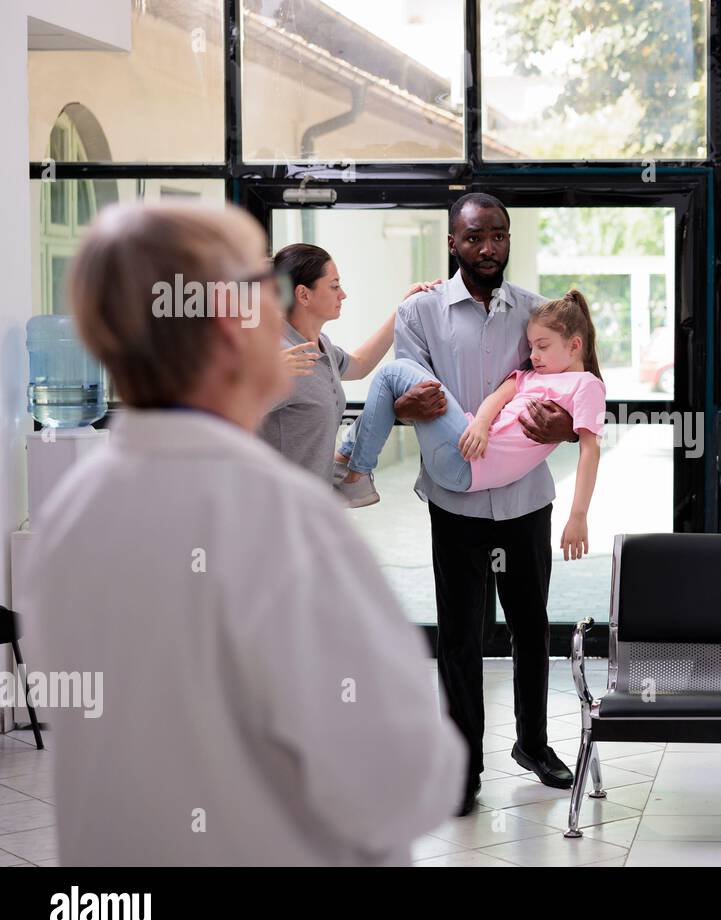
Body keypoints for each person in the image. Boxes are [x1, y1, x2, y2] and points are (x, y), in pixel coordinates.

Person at [25, 203, 466, 865]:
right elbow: (404, 781)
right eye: (267, 291)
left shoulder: (70, 513)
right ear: (231, 327)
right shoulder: (283, 518)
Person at [390, 192, 581, 814]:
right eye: (475, 238)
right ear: (453, 243)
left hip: (526, 500)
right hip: (454, 502)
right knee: (459, 639)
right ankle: (462, 769)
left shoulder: (532, 310)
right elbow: (402, 391)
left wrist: (562, 427)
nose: (488, 248)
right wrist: (406, 408)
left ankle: (534, 745)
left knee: (532, 630)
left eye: (498, 236)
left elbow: (567, 385)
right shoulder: (419, 313)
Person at [334, 290, 606, 559]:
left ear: (574, 345)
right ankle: (354, 465)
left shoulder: (586, 385)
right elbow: (496, 398)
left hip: (467, 465)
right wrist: (480, 426)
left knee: (392, 371)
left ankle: (354, 465)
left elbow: (590, 451)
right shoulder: (531, 376)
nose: (533, 355)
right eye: (531, 346)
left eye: (542, 346)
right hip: (462, 447)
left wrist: (578, 517)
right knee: (393, 375)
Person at [258, 241, 438, 484]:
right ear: (303, 294)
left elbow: (361, 364)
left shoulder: (322, 346)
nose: (343, 294)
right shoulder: (277, 354)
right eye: (334, 286)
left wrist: (402, 310)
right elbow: (226, 420)